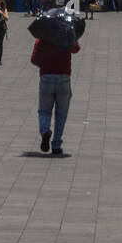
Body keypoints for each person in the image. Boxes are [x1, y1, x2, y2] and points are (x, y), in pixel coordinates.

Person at [31, 26, 81, 157]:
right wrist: (72, 34)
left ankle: (45, 131)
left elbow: (34, 60)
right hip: (64, 78)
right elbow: (76, 49)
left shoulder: (41, 39)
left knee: (44, 110)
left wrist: (44, 63)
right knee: (61, 114)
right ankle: (56, 145)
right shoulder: (66, 36)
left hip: (46, 77)